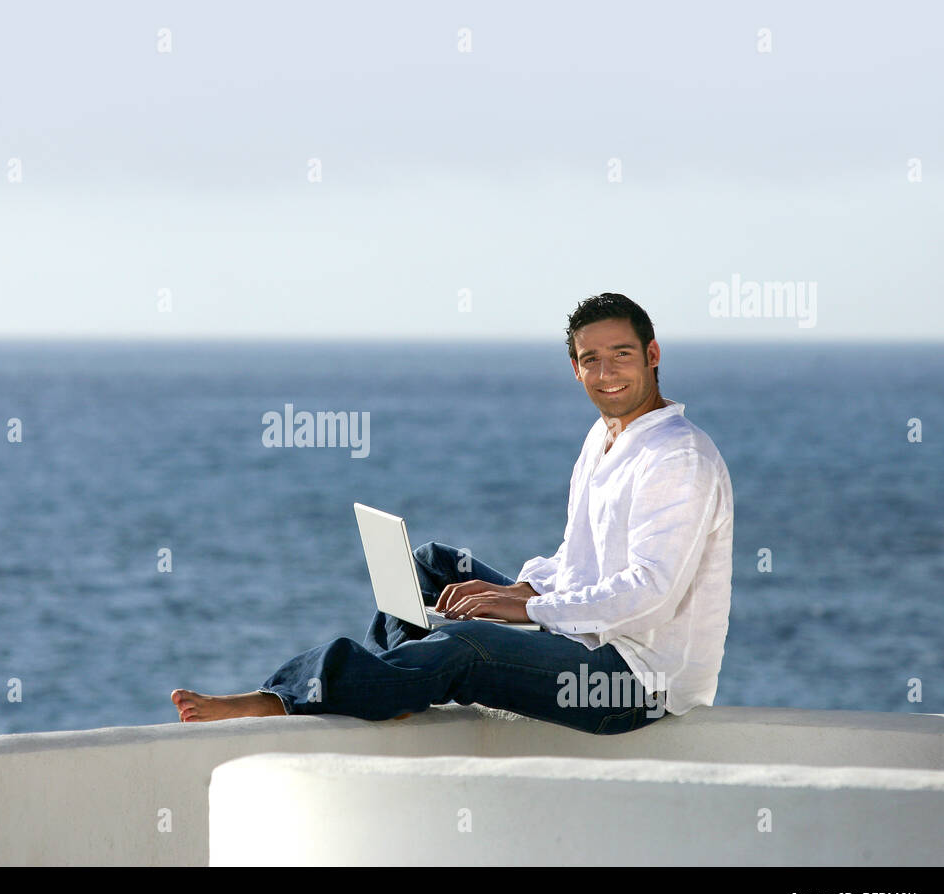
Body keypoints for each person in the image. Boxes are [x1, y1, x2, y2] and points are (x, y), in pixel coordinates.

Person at [171, 293, 734, 734]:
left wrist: (530, 610)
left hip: (631, 683)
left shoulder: (676, 456)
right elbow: (580, 559)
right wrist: (521, 590)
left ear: (652, 355)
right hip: (587, 639)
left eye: (623, 355)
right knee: (431, 564)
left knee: (467, 646)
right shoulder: (605, 437)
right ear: (574, 368)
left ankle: (283, 697)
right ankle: (393, 689)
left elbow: (647, 594)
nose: (608, 372)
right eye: (592, 360)